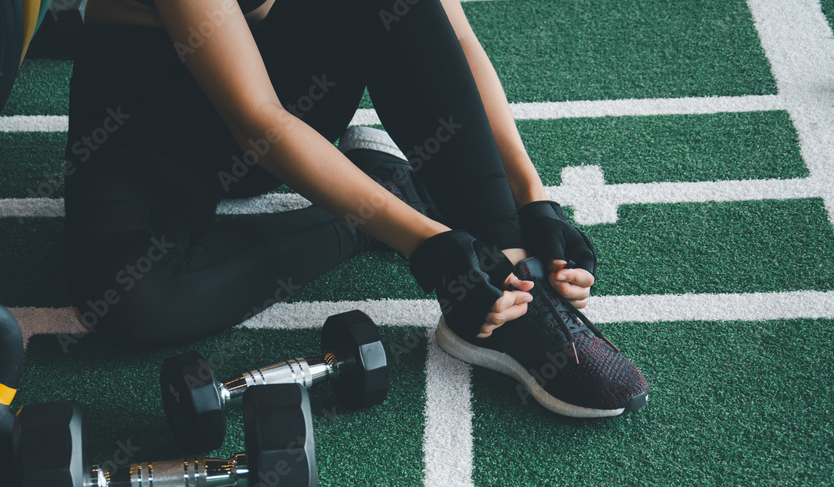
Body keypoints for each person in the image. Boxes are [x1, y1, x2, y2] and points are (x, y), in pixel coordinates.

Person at [63, 0, 649, 417]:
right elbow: (255, 118)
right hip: (149, 145)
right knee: (130, 302)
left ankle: (512, 279)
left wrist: (530, 199)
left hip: (279, 113)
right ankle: (387, 198)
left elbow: (454, 40)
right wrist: (426, 244)